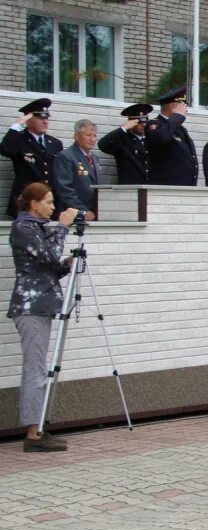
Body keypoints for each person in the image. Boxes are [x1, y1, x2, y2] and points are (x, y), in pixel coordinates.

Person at [8, 182, 77, 452]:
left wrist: (66, 266)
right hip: (30, 307)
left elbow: (47, 266)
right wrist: (62, 226)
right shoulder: (23, 228)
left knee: (40, 368)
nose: (52, 207)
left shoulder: (34, 228)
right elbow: (48, 253)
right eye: (48, 202)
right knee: (35, 369)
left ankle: (37, 428)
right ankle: (33, 434)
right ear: (33, 204)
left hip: (42, 304)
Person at [0, 98, 63, 218]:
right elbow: (6, 150)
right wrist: (17, 125)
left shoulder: (55, 143)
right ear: (28, 120)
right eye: (40, 118)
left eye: (46, 118)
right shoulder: (19, 139)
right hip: (27, 203)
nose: (45, 122)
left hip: (48, 204)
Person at [145, 86, 198, 186]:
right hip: (166, 187)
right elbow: (162, 138)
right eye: (182, 105)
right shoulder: (154, 125)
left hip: (183, 187)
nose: (186, 110)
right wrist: (177, 117)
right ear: (172, 106)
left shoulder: (179, 128)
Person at [53, 119, 100, 220]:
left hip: (94, 214)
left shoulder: (95, 158)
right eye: (88, 135)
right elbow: (65, 189)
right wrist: (82, 211)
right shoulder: (66, 156)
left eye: (95, 135)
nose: (92, 139)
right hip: (73, 215)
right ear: (76, 136)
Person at [97, 103, 152, 185]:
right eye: (140, 122)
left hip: (150, 189)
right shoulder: (123, 140)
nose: (144, 125)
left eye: (145, 122)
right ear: (131, 123)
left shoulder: (150, 139)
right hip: (129, 190)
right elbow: (102, 144)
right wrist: (123, 128)